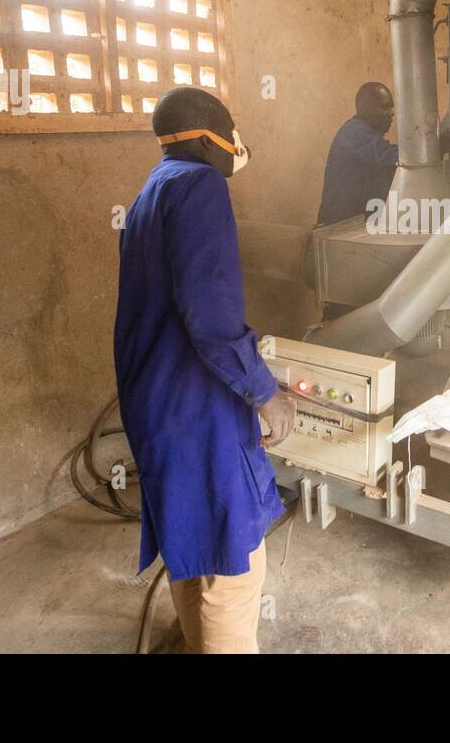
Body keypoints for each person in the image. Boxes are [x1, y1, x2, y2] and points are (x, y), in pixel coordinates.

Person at [113, 86, 296, 654]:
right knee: (234, 564)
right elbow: (211, 317)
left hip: (158, 404)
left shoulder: (151, 190)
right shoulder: (200, 185)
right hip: (196, 411)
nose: (237, 148)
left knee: (192, 540)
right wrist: (264, 392)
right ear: (205, 137)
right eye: (232, 132)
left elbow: (187, 302)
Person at [316, 81, 399, 225]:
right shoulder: (353, 133)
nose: (392, 112)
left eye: (392, 106)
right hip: (338, 231)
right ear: (366, 109)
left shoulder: (367, 137)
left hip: (356, 227)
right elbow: (394, 157)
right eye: (385, 107)